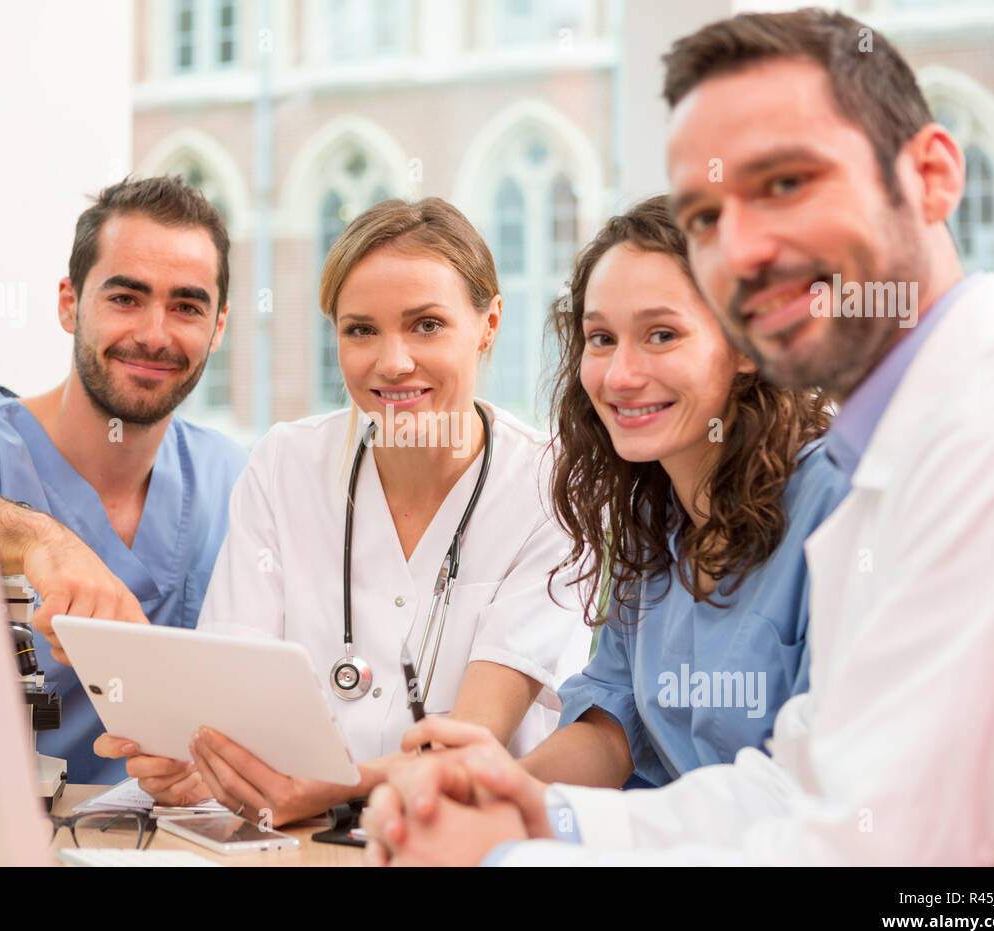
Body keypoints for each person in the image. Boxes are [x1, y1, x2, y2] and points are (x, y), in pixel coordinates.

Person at [362, 8, 994, 865]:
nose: (740, 246)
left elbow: (882, 857)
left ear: (932, 175)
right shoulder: (886, 461)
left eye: (785, 183)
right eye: (705, 214)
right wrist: (534, 811)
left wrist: (509, 855)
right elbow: (791, 783)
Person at [108, 197, 593, 821]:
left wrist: (334, 785)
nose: (391, 363)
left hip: (462, 843)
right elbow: (231, 690)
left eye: (427, 325)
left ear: (489, 323)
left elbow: (474, 740)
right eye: (360, 329)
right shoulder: (285, 466)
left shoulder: (553, 488)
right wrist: (199, 760)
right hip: (294, 844)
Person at [361, 194, 846, 800]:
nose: (619, 375)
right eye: (601, 338)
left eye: (662, 335)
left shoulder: (836, 505)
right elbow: (613, 730)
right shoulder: (654, 510)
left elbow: (819, 787)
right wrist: (487, 791)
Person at [0, 176, 246, 783]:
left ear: (219, 325)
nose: (154, 334)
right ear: (69, 303)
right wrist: (42, 539)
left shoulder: (237, 483)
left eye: (187, 306)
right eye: (126, 298)